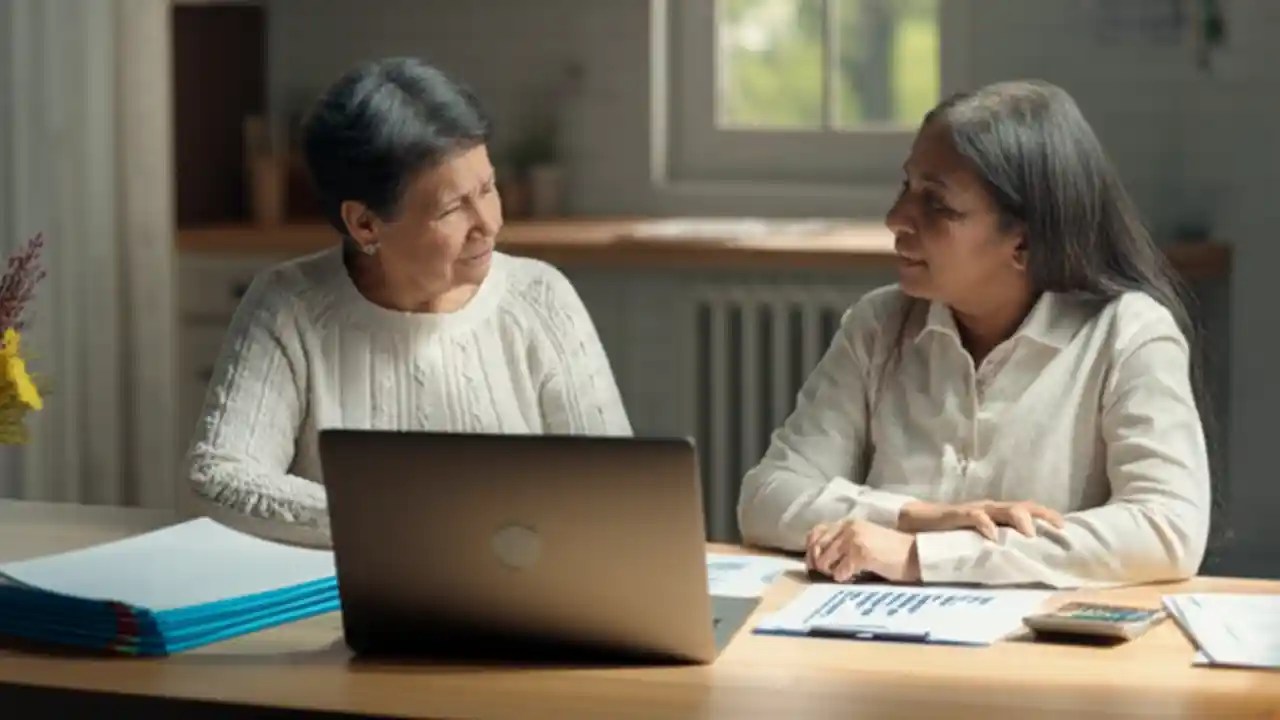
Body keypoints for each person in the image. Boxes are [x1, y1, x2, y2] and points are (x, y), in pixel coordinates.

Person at [736, 80, 1211, 589]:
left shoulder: (1128, 334)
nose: (896, 219)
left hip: (1041, 657)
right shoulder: (878, 325)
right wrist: (915, 516)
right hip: (879, 642)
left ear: (1024, 241)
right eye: (905, 188)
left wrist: (925, 556)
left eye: (936, 204)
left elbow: (1167, 528)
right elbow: (766, 498)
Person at [184, 57, 631, 547]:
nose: (489, 222)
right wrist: (411, 520)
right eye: (452, 206)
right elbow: (220, 476)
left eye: (488, 188)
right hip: (339, 606)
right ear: (365, 224)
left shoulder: (541, 299)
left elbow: (617, 495)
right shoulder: (288, 306)